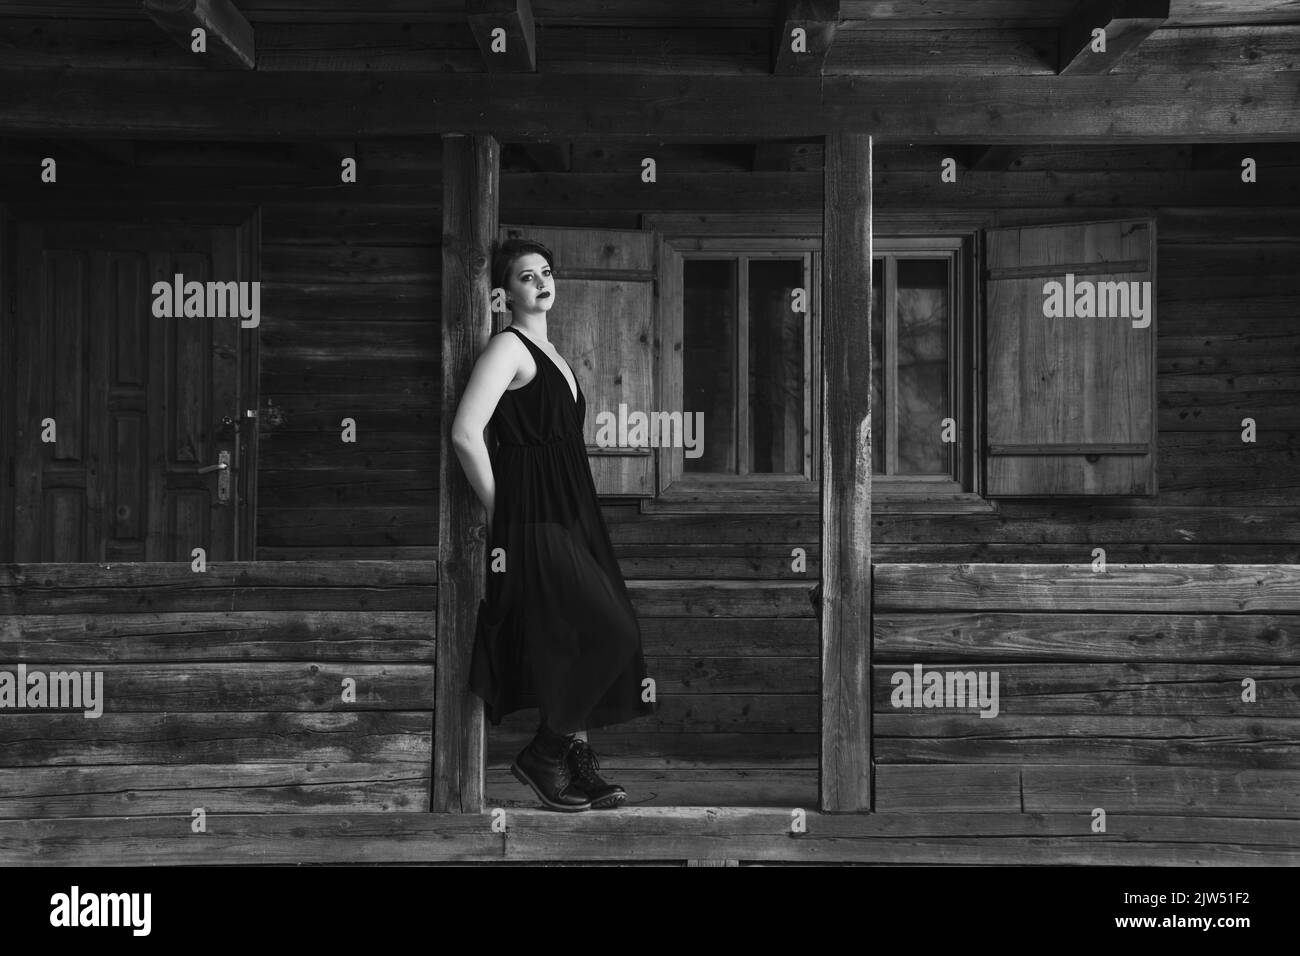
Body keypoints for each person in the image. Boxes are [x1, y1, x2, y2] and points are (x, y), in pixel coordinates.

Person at [451, 238, 656, 811]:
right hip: (534, 518)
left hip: (570, 514)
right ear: (505, 291)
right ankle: (544, 753)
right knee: (616, 630)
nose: (540, 282)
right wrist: (503, 512)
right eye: (524, 276)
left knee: (579, 636)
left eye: (545, 272)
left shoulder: (556, 355)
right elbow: (466, 434)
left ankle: (574, 762)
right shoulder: (507, 349)